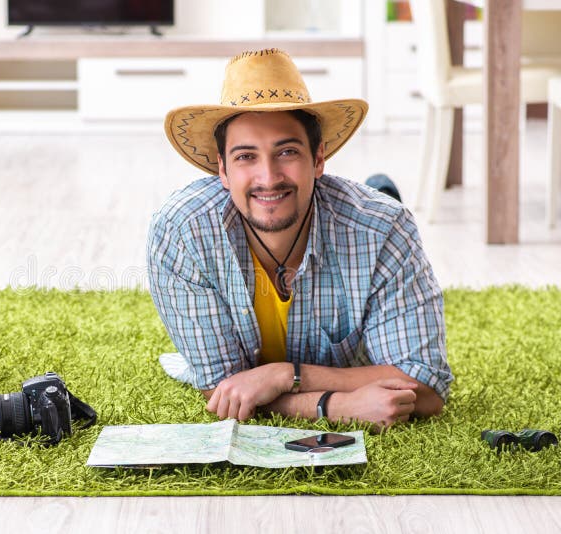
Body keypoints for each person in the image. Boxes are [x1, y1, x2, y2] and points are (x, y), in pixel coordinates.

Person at [147, 49, 453, 429]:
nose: (268, 176)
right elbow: (223, 390)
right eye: (246, 157)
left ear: (319, 158)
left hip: (352, 221)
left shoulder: (384, 229)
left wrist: (283, 375)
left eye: (287, 151)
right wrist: (337, 405)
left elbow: (425, 385)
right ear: (222, 171)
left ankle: (381, 191)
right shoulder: (182, 232)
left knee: (374, 215)